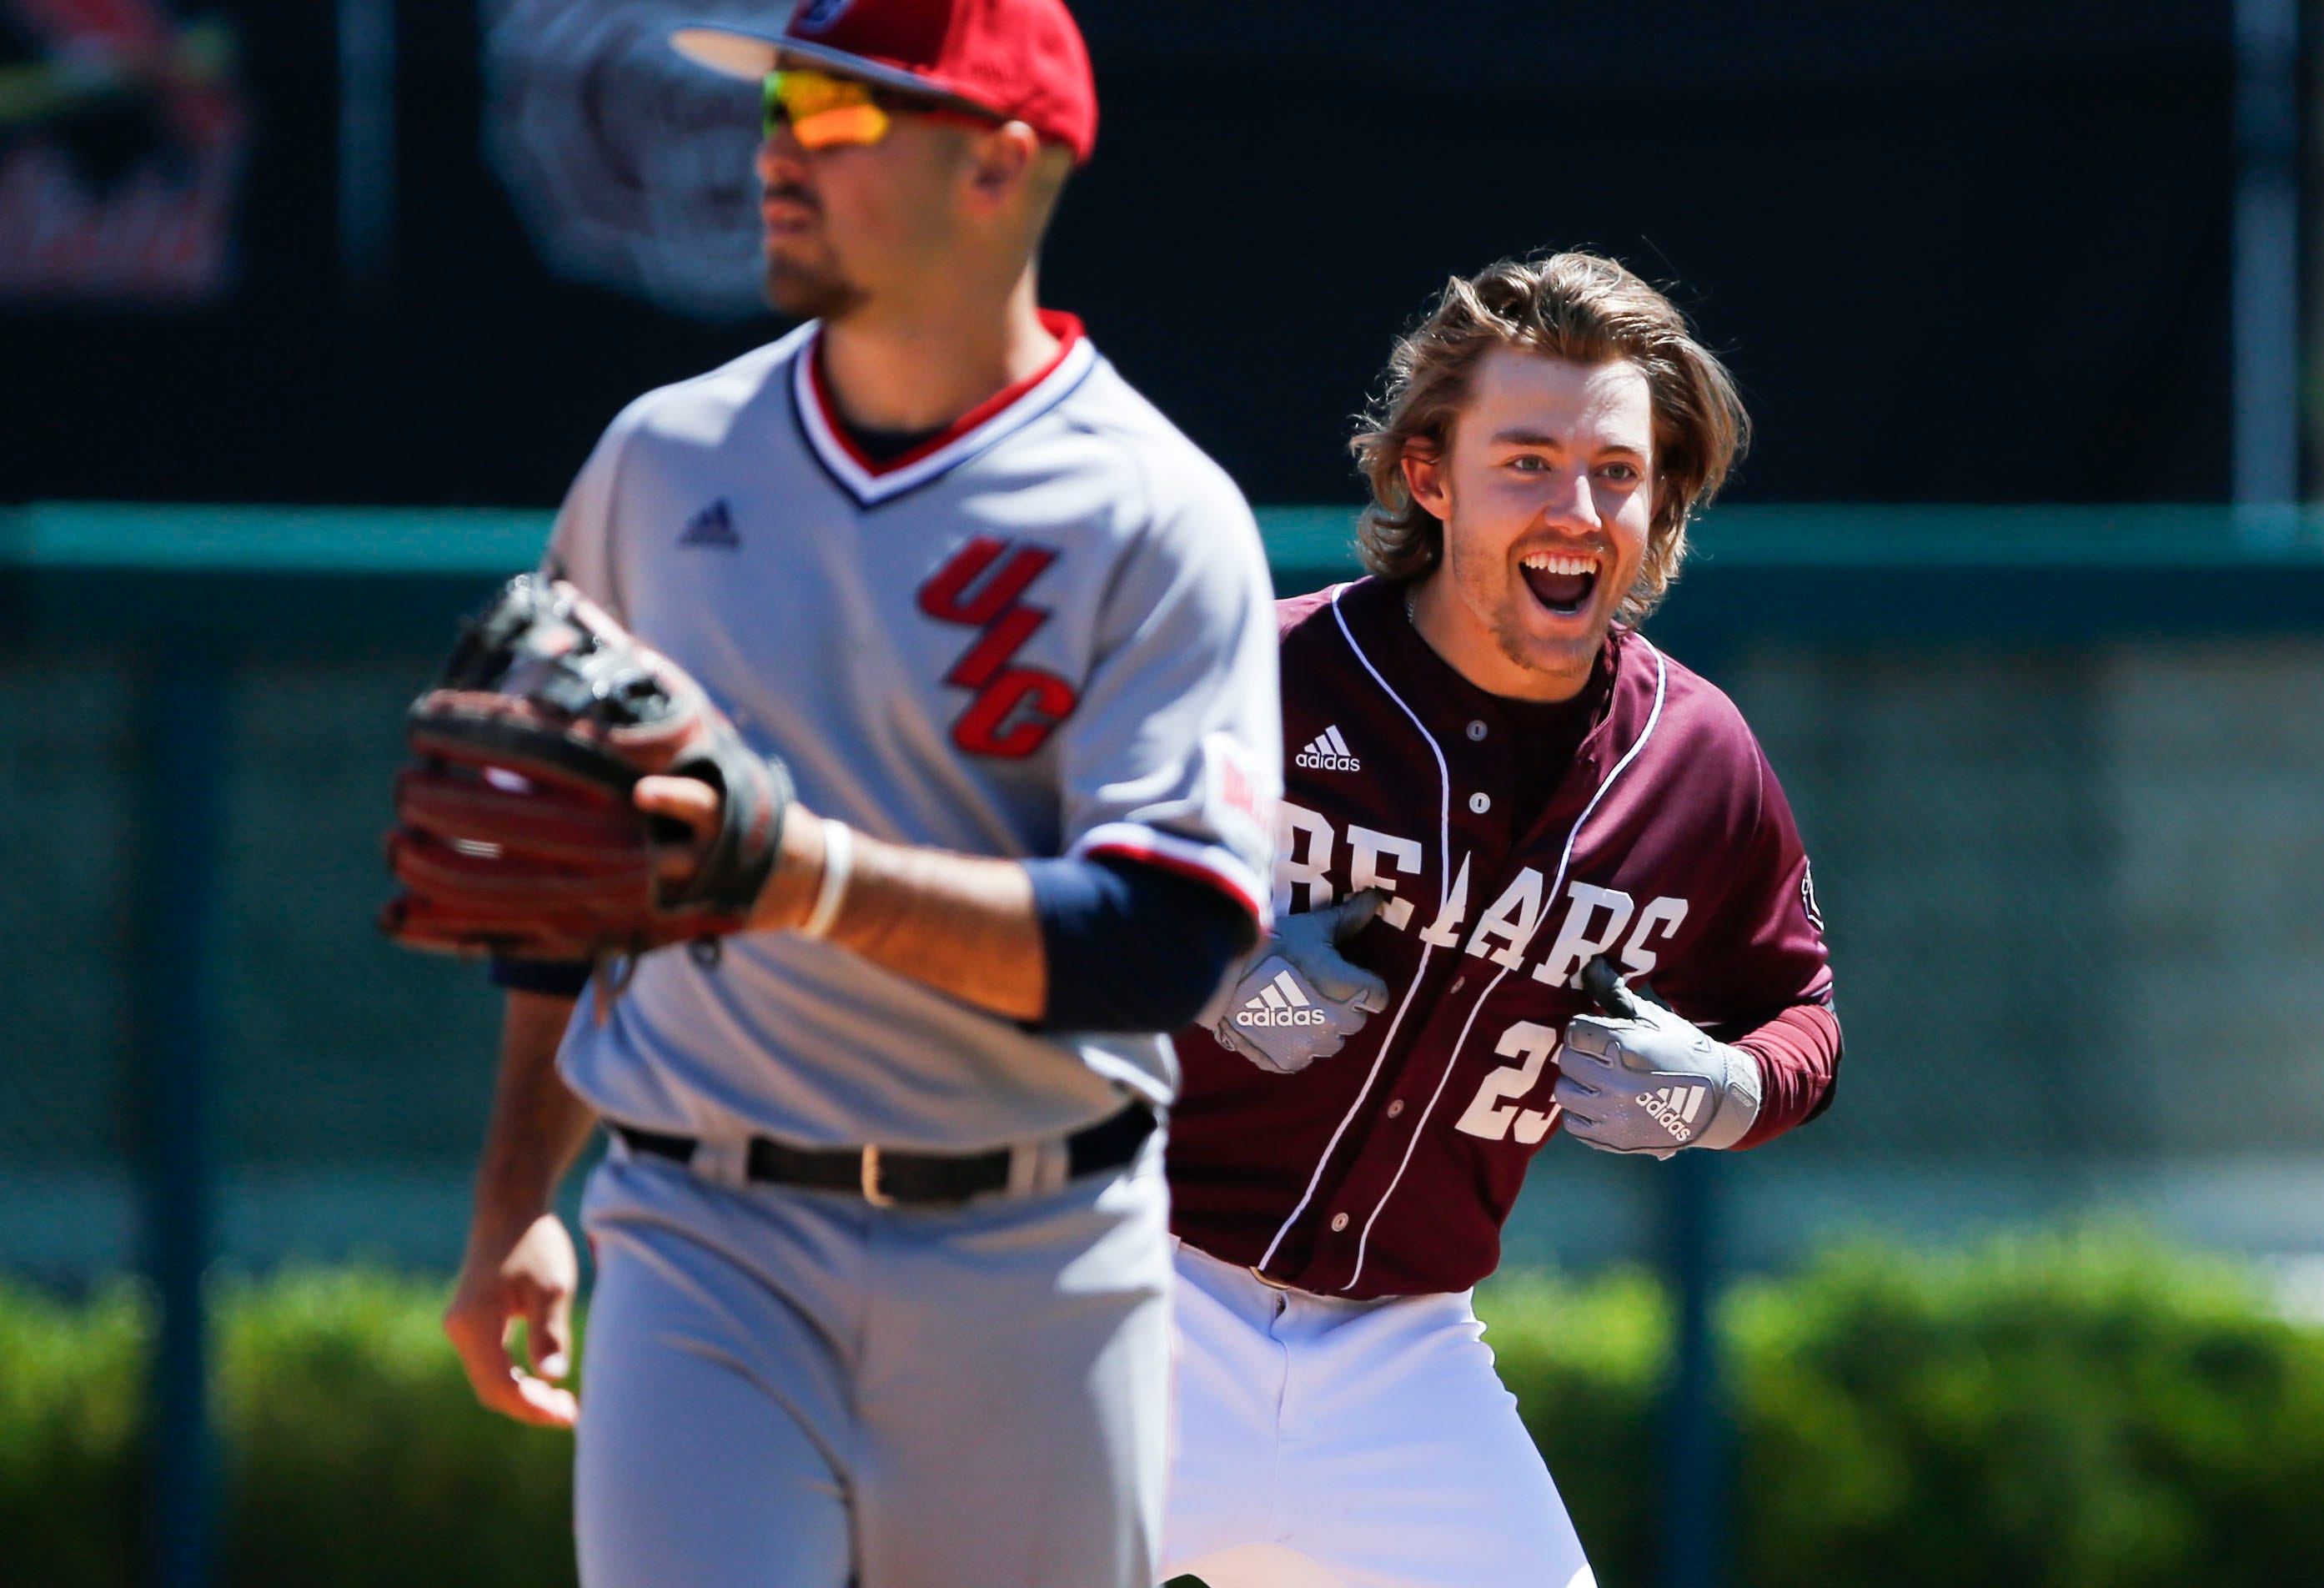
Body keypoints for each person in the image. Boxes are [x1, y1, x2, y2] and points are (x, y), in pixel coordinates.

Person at [433, 3, 1282, 1585]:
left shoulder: (1154, 512)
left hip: (1037, 1263)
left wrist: (803, 876)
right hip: (707, 1239)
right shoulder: (661, 460)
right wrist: (511, 1207)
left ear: (998, 165)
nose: (775, 150)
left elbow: (1166, 938)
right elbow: (563, 887)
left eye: (834, 111)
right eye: (776, 106)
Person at [1157, 252, 1841, 1588]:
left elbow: (1801, 1018)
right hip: (1137, 1291)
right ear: (1429, 475)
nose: (1577, 508)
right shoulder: (1263, 680)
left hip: (1405, 1363)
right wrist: (1208, 968)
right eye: (1525, 461)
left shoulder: (1697, 759)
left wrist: (1726, 1088)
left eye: (1620, 473)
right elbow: (1039, 903)